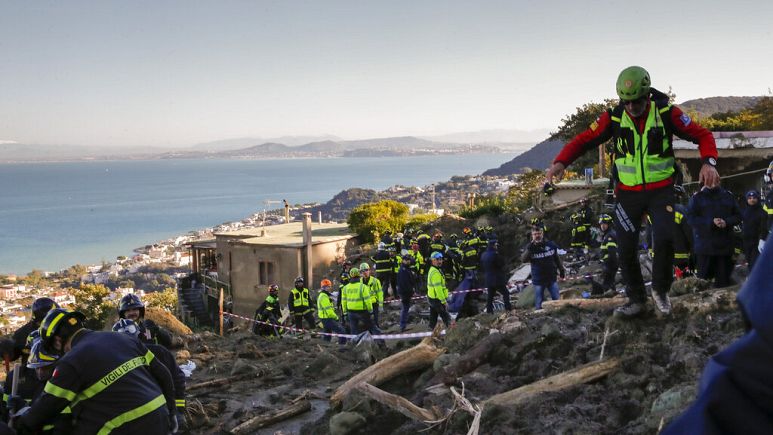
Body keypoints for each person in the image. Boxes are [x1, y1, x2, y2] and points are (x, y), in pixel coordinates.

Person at [545, 66, 720, 317]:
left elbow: (703, 135)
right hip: (627, 194)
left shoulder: (666, 112)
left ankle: (660, 291)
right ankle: (636, 299)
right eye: (626, 102)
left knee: (664, 239)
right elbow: (583, 140)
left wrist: (709, 162)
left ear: (647, 94)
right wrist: (560, 163)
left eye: (636, 101)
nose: (631, 107)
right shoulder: (613, 117)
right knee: (624, 247)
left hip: (662, 190)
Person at [15, 309, 176, 435]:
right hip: (159, 417)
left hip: (122, 428)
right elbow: (163, 374)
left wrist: (20, 421)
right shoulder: (123, 338)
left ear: (57, 341)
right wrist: (172, 411)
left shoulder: (70, 362)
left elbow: (48, 404)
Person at [113, 319, 187, 429]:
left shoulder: (159, 352)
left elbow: (177, 379)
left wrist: (178, 409)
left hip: (163, 409)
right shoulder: (113, 362)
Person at [687, 184, 742, 288]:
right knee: (702, 285)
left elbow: (738, 215)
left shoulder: (728, 196)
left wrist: (727, 222)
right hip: (705, 248)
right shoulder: (697, 198)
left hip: (724, 248)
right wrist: (710, 222)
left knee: (724, 285)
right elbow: (691, 219)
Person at [0, 298, 59, 365]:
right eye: (41, 323)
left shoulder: (65, 329)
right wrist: (7, 348)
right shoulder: (23, 333)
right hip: (31, 371)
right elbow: (14, 354)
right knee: (10, 375)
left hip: (62, 369)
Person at [521, 224, 566, 310]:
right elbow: (523, 260)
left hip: (551, 278)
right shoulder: (530, 247)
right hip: (538, 280)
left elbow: (556, 258)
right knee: (539, 302)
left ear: (542, 233)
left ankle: (559, 315)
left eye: (539, 233)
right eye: (535, 234)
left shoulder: (550, 244)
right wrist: (530, 248)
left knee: (557, 300)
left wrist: (561, 270)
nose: (537, 236)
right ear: (532, 235)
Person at [341, 269, 380, 338]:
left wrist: (345, 313)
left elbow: (343, 301)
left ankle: (355, 346)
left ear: (350, 276)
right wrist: (371, 311)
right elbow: (367, 301)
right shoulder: (363, 287)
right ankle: (381, 344)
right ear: (359, 276)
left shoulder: (345, 288)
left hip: (350, 312)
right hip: (362, 312)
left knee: (354, 331)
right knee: (373, 327)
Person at [588, 214, 619, 296]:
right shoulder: (608, 234)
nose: (602, 226)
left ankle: (610, 302)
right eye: (601, 224)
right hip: (609, 263)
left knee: (607, 285)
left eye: (605, 224)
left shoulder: (609, 236)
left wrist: (607, 265)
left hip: (610, 264)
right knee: (610, 284)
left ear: (609, 224)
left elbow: (612, 252)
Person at [481, 240, 512, 313]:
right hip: (497, 278)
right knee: (506, 293)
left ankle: (489, 311)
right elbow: (501, 264)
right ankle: (508, 308)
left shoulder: (483, 255)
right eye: (496, 245)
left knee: (490, 296)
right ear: (493, 246)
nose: (497, 246)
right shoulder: (495, 255)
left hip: (488, 278)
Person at [316, 279, 347, 347]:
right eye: (326, 287)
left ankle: (325, 347)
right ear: (323, 288)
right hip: (328, 318)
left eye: (329, 286)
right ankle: (342, 348)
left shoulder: (324, 295)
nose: (328, 288)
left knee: (327, 335)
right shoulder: (324, 296)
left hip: (324, 318)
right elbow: (328, 310)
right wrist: (336, 317)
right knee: (342, 332)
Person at [427, 252, 453, 330]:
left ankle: (430, 329)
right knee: (445, 316)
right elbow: (438, 289)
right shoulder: (435, 272)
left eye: (441, 259)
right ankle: (451, 331)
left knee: (433, 316)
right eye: (437, 259)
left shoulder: (435, 269)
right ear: (432, 260)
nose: (440, 261)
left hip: (432, 297)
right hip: (437, 299)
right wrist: (443, 301)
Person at [741, 190, 765, 270]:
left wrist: (762, 239)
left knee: (755, 264)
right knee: (747, 263)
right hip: (746, 242)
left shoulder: (762, 212)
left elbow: (764, 228)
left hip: (757, 243)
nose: (752, 199)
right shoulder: (744, 211)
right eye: (750, 198)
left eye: (754, 198)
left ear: (757, 199)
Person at [673, 203, 695, 278]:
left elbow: (650, 235)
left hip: (662, 256)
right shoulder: (680, 210)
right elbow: (689, 232)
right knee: (686, 282)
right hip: (680, 255)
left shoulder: (656, 210)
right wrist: (693, 248)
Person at [396, 256, 417, 332]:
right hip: (404, 292)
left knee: (405, 308)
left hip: (405, 291)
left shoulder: (406, 269)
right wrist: (411, 291)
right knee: (405, 308)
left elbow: (410, 280)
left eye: (408, 260)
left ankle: (403, 325)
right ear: (403, 260)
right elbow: (404, 283)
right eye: (406, 260)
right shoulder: (403, 270)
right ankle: (402, 325)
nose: (408, 261)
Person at [359, 263, 383, 328]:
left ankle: (378, 335)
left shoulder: (375, 281)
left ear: (369, 270)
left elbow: (380, 293)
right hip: (364, 305)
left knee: (375, 321)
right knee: (367, 322)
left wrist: (380, 305)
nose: (365, 272)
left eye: (366, 270)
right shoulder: (359, 282)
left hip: (374, 304)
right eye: (362, 271)